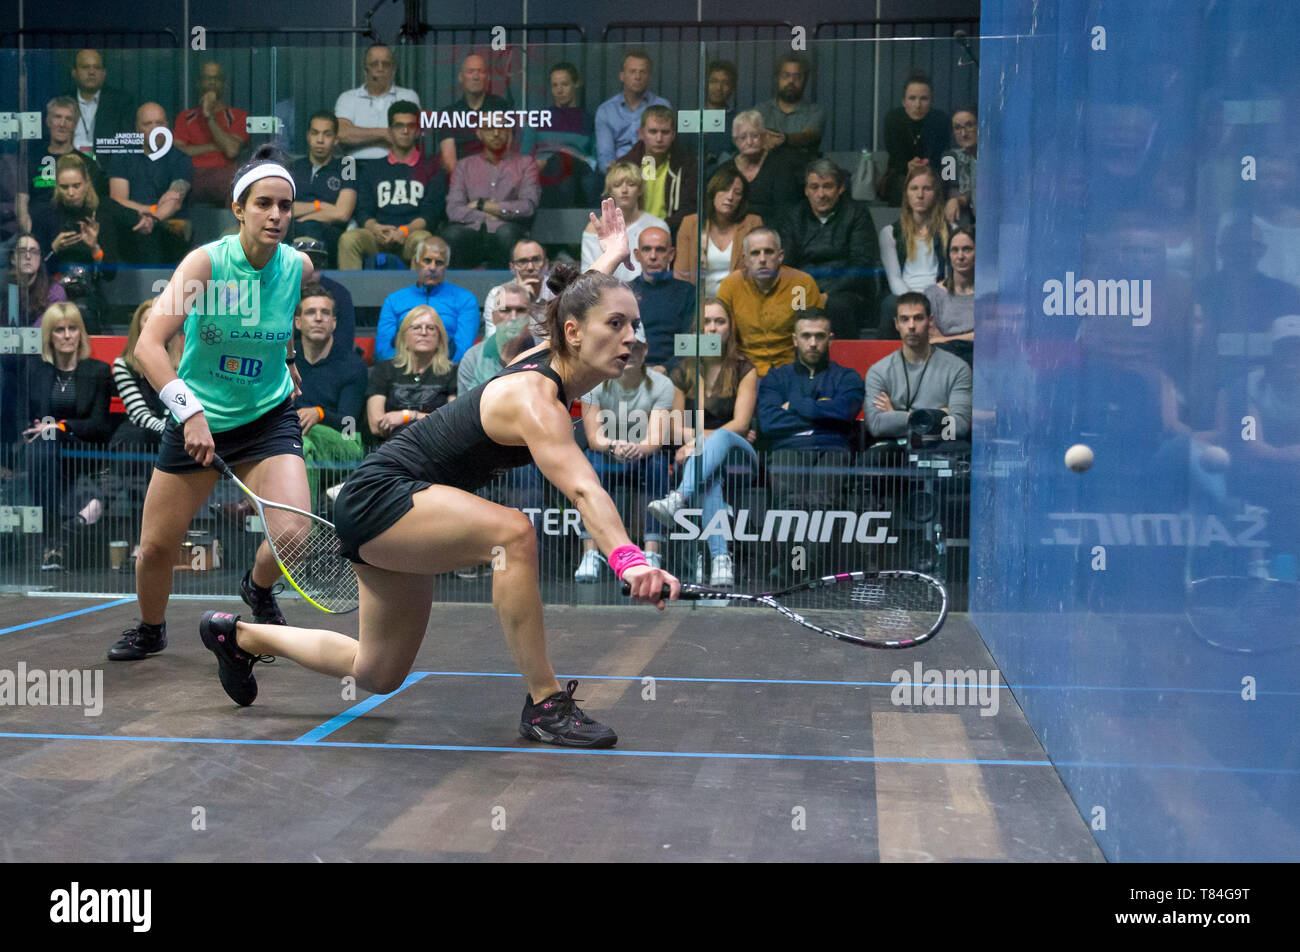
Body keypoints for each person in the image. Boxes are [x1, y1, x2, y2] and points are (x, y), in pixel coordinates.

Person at [195, 199, 679, 750]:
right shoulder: (535, 398)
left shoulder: (554, 351)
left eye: (633, 325)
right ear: (572, 333)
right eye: (615, 325)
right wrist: (630, 558)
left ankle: (236, 636)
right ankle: (545, 704)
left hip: (402, 508)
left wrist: (611, 255)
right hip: (384, 497)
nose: (630, 337)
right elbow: (583, 487)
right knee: (513, 534)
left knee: (377, 674)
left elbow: (579, 304)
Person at [105, 144, 319, 663]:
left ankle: (258, 588)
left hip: (267, 418)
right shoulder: (204, 263)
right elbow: (147, 346)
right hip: (197, 419)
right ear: (239, 208)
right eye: (263, 203)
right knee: (156, 548)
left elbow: (282, 322)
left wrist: (288, 362)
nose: (275, 215)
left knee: (295, 534)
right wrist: (189, 411)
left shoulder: (299, 267)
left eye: (284, 207)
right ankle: (152, 628)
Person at [647, 298, 758, 588]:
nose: (712, 328)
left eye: (719, 322)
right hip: (701, 460)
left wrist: (696, 440)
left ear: (730, 328)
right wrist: (697, 443)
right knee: (710, 479)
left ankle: (678, 498)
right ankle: (720, 559)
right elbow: (674, 423)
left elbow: (740, 424)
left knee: (720, 435)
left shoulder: (745, 368)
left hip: (740, 453)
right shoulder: (684, 369)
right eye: (706, 322)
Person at [575, 322, 673, 581]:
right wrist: (614, 445)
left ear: (646, 351)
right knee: (590, 466)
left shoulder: (662, 385)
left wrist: (636, 448)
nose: (630, 353)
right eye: (624, 346)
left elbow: (655, 439)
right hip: (606, 454)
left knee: (658, 464)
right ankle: (591, 553)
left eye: (636, 347)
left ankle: (652, 552)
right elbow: (594, 437)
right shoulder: (594, 382)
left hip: (643, 456)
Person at [20, 302, 113, 572]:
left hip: (83, 450)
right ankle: (55, 542)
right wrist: (47, 430)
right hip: (48, 454)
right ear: (49, 335)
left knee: (47, 446)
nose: (67, 335)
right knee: (44, 450)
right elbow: (29, 417)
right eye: (59, 330)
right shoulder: (36, 370)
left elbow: (98, 424)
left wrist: (59, 427)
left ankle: (51, 543)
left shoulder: (97, 371)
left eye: (73, 328)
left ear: (81, 333)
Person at [757, 310, 864, 538]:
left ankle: (809, 570)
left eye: (820, 336)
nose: (813, 343)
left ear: (831, 338)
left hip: (832, 447)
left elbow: (844, 413)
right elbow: (768, 422)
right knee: (790, 508)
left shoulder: (848, 377)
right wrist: (824, 410)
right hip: (789, 447)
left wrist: (794, 404)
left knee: (822, 506)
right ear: (795, 340)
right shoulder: (776, 377)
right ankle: (794, 571)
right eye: (806, 336)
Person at [30, 154, 143, 330]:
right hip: (51, 293)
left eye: (76, 186)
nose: (71, 192)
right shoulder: (47, 215)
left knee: (86, 312)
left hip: (91, 295)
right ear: (57, 187)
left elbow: (110, 273)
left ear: (87, 184)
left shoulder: (100, 214)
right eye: (64, 187)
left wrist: (95, 248)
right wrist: (54, 248)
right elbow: (34, 270)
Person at [778, 158, 882, 341]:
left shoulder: (856, 213)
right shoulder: (795, 216)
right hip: (804, 287)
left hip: (847, 290)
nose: (821, 194)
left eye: (827, 186)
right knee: (788, 303)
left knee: (837, 305)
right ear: (806, 190)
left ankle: (844, 364)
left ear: (840, 188)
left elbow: (861, 263)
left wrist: (827, 294)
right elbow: (787, 263)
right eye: (814, 187)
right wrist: (810, 291)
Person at [337, 102, 447, 271]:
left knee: (423, 239)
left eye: (411, 126)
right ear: (390, 131)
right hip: (378, 233)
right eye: (399, 126)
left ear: (418, 131)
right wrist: (375, 228)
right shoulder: (372, 169)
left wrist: (405, 231)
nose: (405, 131)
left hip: (411, 234)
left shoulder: (431, 168)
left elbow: (430, 213)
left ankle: (416, 297)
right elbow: (363, 210)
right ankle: (352, 297)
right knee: (349, 240)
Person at [293, 284, 368, 501]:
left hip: (346, 444)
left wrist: (320, 414)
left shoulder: (352, 364)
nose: (318, 318)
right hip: (298, 437)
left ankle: (302, 532)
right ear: (297, 322)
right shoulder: (285, 360)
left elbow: (349, 425)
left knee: (299, 444)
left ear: (334, 323)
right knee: (300, 444)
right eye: (310, 312)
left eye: (325, 313)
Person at [716, 227, 824, 376]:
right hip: (746, 371)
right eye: (755, 253)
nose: (762, 259)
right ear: (745, 259)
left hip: (793, 370)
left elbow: (816, 333)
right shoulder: (731, 285)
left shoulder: (801, 284)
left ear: (780, 256)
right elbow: (717, 332)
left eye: (768, 252)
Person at [864, 292, 971, 441]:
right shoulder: (879, 371)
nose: (912, 326)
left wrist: (896, 416)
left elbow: (959, 427)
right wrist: (936, 415)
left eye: (918, 318)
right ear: (896, 324)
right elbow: (875, 425)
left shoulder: (958, 369)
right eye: (904, 319)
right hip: (894, 451)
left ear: (930, 321)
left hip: (938, 451)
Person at [441, 120, 539, 269]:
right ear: (479, 133)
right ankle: (457, 291)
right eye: (489, 128)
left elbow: (527, 207)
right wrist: (490, 215)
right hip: (471, 233)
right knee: (451, 235)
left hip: (507, 232)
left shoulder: (526, 163)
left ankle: (508, 290)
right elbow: (453, 210)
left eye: (501, 127)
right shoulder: (464, 165)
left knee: (506, 234)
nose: (496, 133)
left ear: (508, 131)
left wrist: (482, 205)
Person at [106, 103, 194, 265]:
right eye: (148, 124)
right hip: (131, 224)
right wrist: (150, 211)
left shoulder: (180, 159)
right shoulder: (123, 156)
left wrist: (152, 220)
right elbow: (117, 200)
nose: (155, 129)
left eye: (159, 123)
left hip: (167, 227)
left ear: (167, 126)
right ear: (137, 128)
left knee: (154, 234)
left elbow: (174, 202)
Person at [373, 236, 479, 362]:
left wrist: (434, 366)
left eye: (439, 263)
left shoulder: (466, 300)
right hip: (401, 371)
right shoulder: (394, 300)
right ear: (417, 263)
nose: (432, 268)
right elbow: (382, 351)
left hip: (446, 372)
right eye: (427, 261)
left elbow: (462, 353)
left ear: (446, 266)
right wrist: (412, 366)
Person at [15, 97, 111, 234]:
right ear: (48, 121)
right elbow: (21, 203)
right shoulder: (32, 160)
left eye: (68, 119)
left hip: (76, 235)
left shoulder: (88, 164)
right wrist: (29, 236)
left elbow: (98, 206)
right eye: (57, 117)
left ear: (75, 125)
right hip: (37, 236)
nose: (62, 124)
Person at [366, 306, 458, 443]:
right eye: (416, 328)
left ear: (440, 337)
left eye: (431, 328)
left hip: (436, 446)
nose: (424, 333)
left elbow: (453, 423)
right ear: (404, 336)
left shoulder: (453, 372)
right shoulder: (383, 369)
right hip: (391, 447)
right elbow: (375, 425)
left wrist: (408, 416)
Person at [521, 61, 603, 208]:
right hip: (544, 172)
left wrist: (573, 156)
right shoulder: (538, 119)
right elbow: (523, 158)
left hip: (578, 170)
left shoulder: (589, 121)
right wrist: (534, 165)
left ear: (576, 84)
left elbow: (596, 160)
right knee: (562, 172)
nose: (559, 90)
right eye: (555, 85)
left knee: (564, 163)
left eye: (564, 84)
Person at [879, 166, 949, 337]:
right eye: (914, 188)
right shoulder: (889, 232)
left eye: (927, 188)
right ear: (906, 194)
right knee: (890, 305)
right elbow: (894, 278)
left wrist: (933, 294)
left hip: (939, 292)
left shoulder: (949, 231)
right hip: (904, 295)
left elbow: (949, 275)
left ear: (935, 193)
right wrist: (913, 301)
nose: (920, 195)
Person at [674, 166, 763, 296]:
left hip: (740, 301)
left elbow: (758, 272)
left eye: (737, 193)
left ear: (742, 199)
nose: (730, 197)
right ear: (713, 191)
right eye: (724, 190)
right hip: (698, 304)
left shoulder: (752, 223)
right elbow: (681, 274)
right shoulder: (690, 224)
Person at [172, 62, 251, 206]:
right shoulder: (185, 116)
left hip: (224, 176)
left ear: (224, 84)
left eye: (217, 79)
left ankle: (231, 229)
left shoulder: (239, 116)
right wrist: (216, 146)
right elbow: (177, 152)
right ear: (199, 84)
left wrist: (209, 117)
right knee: (173, 192)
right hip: (191, 175)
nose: (212, 83)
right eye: (207, 78)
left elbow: (231, 150)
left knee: (238, 187)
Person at [288, 112, 358, 268]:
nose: (320, 140)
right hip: (291, 229)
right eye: (315, 133)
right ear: (308, 136)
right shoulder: (294, 167)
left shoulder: (347, 165)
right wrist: (320, 206)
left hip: (330, 233)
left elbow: (342, 213)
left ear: (336, 139)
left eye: (327, 134)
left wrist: (306, 218)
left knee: (310, 226)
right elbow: (285, 208)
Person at [615, 105, 697, 235]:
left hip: (672, 233)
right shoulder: (626, 165)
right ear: (641, 133)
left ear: (674, 134)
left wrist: (660, 228)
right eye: (653, 132)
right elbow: (617, 209)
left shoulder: (687, 165)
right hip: (632, 233)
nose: (659, 139)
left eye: (665, 132)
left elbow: (688, 210)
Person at [333, 44, 421, 165]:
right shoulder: (348, 98)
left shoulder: (408, 96)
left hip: (395, 164)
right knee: (346, 178)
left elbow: (410, 136)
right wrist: (385, 134)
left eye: (386, 64)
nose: (380, 68)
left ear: (393, 69)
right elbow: (342, 134)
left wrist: (360, 136)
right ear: (365, 69)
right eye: (374, 64)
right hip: (353, 165)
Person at [580, 160, 667, 282]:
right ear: (609, 191)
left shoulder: (657, 226)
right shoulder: (595, 228)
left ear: (640, 189)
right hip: (605, 295)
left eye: (631, 184)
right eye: (617, 185)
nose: (624, 190)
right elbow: (587, 274)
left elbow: (663, 272)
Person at [878, 70, 951, 207]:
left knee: (943, 183)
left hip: (933, 171)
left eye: (924, 99)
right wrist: (908, 165)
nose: (917, 105)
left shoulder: (940, 120)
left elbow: (946, 155)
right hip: (901, 173)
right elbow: (895, 156)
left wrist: (928, 166)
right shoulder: (893, 119)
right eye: (912, 98)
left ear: (931, 101)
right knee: (901, 184)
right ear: (904, 102)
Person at [719, 111, 804, 224]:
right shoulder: (726, 169)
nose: (749, 142)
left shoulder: (781, 165)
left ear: (764, 136)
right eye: (743, 137)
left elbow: (785, 211)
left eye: (755, 136)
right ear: (735, 141)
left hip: (771, 231)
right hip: (734, 230)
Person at [629, 225, 693, 374]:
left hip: (675, 372)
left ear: (671, 254)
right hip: (631, 371)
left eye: (660, 250)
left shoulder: (688, 292)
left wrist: (666, 368)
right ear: (637, 255)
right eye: (646, 249)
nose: (653, 256)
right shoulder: (625, 292)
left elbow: (690, 342)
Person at [437, 53, 513, 175]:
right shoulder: (448, 114)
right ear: (461, 77)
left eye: (480, 71)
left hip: (498, 179)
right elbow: (449, 161)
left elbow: (508, 153)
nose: (476, 76)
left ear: (487, 77)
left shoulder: (501, 107)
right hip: (461, 181)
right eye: (470, 71)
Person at [595, 50, 671, 172]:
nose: (637, 77)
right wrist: (619, 175)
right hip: (618, 174)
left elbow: (664, 149)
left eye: (643, 72)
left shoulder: (661, 105)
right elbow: (605, 155)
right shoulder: (606, 110)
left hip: (651, 169)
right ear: (622, 76)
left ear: (649, 77)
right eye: (632, 71)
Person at [460, 283, 535, 393]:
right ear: (494, 317)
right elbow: (464, 409)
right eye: (505, 310)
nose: (513, 318)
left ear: (530, 316)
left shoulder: (547, 355)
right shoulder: (473, 358)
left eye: (520, 311)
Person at [289, 237, 356, 354]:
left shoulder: (339, 294)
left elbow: (344, 343)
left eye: (316, 265)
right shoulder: (278, 292)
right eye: (301, 267)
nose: (309, 273)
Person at [480, 239, 553, 340]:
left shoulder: (558, 293)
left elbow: (560, 342)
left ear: (546, 264)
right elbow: (494, 341)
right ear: (512, 268)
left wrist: (534, 308)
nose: (530, 267)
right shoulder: (498, 294)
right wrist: (521, 301)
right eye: (522, 261)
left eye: (536, 260)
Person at [755, 54, 825, 157]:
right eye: (785, 75)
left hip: (801, 168)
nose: (791, 81)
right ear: (777, 78)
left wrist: (783, 139)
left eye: (797, 77)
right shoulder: (761, 110)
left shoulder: (815, 111)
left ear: (804, 81)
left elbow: (809, 136)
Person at [924, 225, 975, 364]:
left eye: (967, 249)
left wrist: (945, 339)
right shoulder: (932, 294)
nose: (960, 256)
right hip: (941, 362)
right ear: (948, 255)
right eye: (955, 250)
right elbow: (928, 340)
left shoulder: (990, 295)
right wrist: (971, 336)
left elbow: (988, 337)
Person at [67, 49, 133, 155]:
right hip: (69, 166)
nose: (91, 72)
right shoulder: (63, 101)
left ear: (104, 73)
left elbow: (128, 144)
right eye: (85, 67)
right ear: (74, 72)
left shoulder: (121, 102)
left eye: (97, 67)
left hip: (108, 168)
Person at [0, 233, 66, 326]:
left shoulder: (54, 292)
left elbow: (40, 332)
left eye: (34, 251)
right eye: (22, 251)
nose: (28, 256)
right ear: (13, 259)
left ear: (39, 258)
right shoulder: (4, 291)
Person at [941, 107, 977, 226]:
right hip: (965, 216)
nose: (964, 133)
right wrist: (958, 200)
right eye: (957, 128)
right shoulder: (949, 158)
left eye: (969, 125)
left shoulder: (994, 159)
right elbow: (948, 190)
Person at [702, 60, 738, 168]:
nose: (718, 88)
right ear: (704, 84)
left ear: (732, 88)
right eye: (713, 81)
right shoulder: (691, 117)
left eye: (725, 83)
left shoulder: (738, 121)